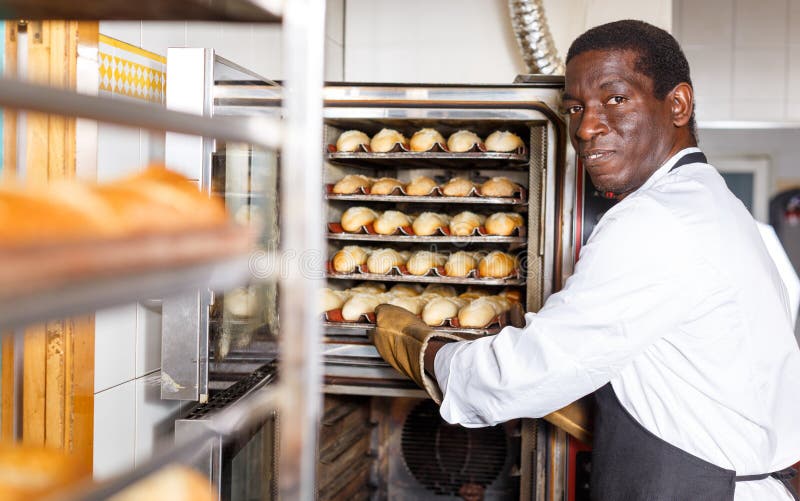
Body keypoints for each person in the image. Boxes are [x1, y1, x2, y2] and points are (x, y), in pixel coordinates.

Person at [372, 20, 800, 500]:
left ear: (677, 104)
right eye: (576, 108)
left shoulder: (655, 219)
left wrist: (430, 352)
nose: (586, 128)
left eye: (615, 99)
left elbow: (528, 373)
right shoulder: (714, 206)